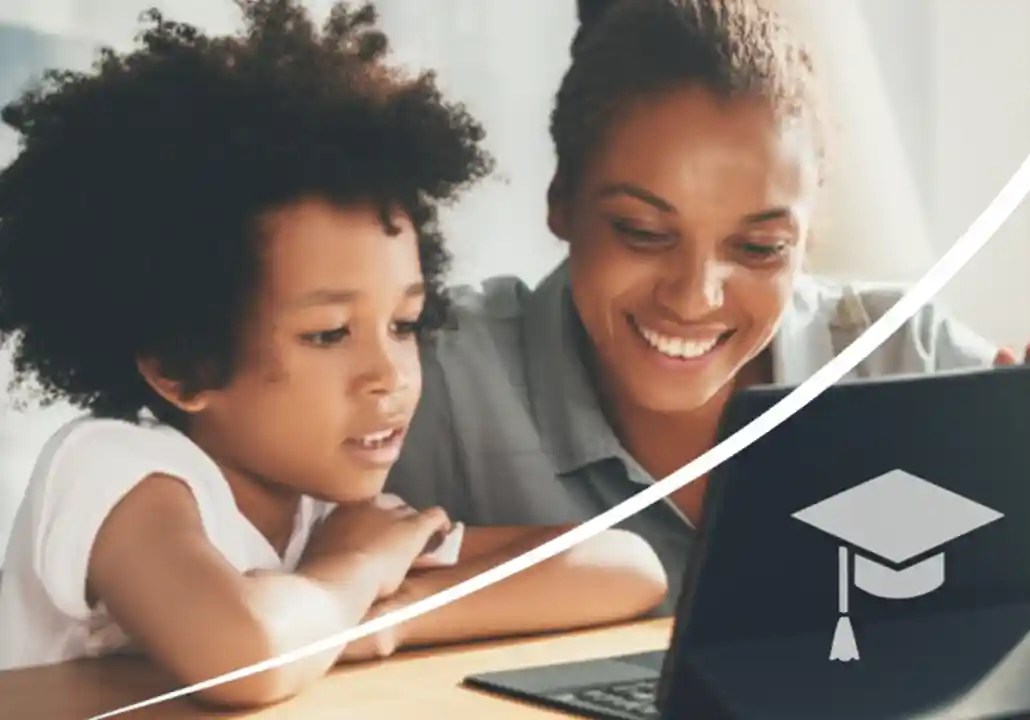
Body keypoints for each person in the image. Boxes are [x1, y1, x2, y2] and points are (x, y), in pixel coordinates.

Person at [382, 0, 1030, 633]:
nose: (695, 296)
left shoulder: (886, 348)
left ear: (809, 232)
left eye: (760, 248)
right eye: (643, 231)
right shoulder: (437, 370)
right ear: (562, 200)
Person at [0, 0, 666, 706]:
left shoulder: (320, 507)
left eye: (405, 324)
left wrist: (385, 618)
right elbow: (247, 654)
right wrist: (352, 568)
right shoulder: (120, 475)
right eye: (327, 334)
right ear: (181, 363)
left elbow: (625, 567)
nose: (389, 377)